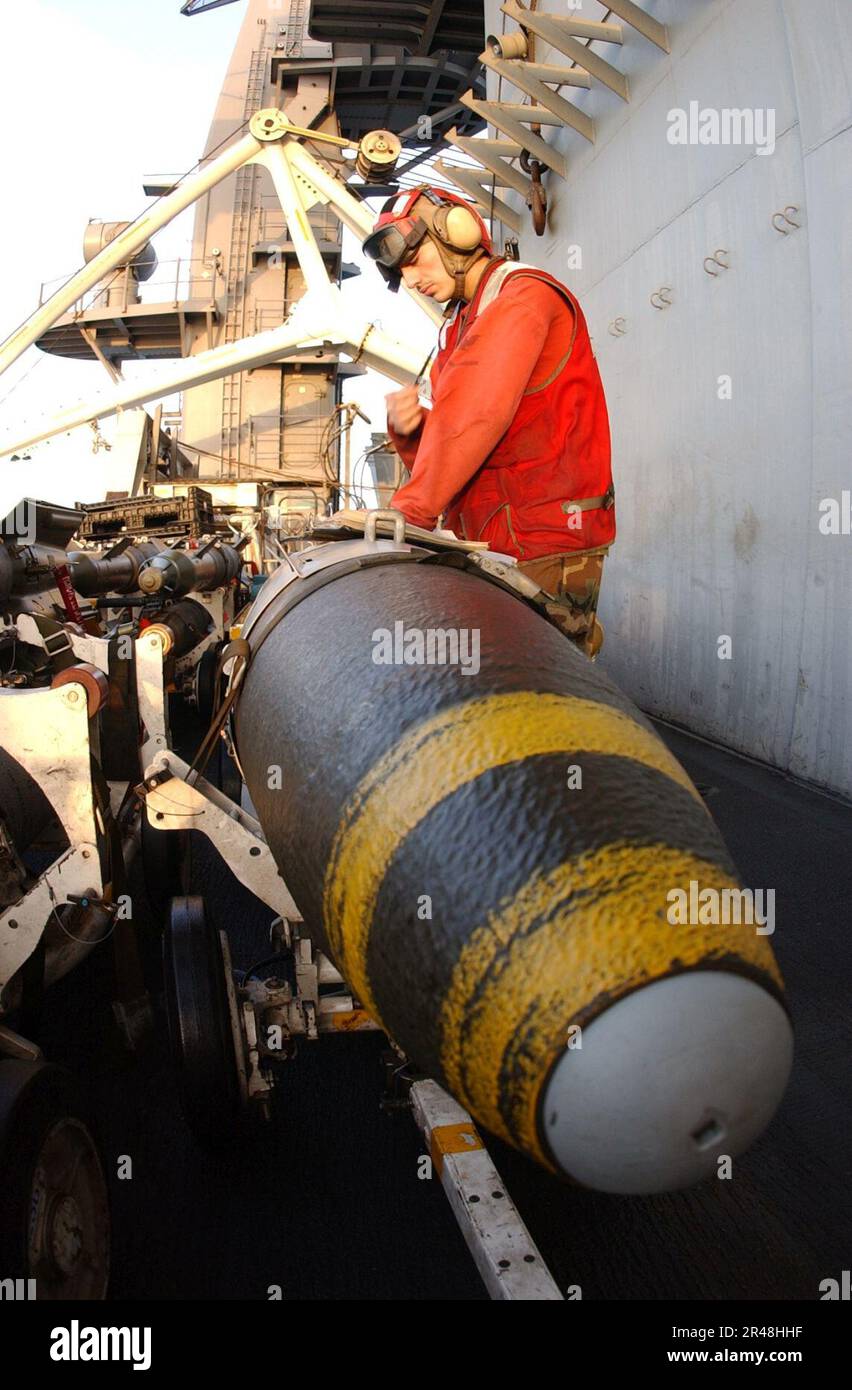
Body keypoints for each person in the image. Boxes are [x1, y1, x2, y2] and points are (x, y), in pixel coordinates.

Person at [361, 183, 615, 657]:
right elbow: (457, 438)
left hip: (543, 543)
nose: (411, 280)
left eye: (415, 260)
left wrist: (405, 514)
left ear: (455, 233)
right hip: (498, 540)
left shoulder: (523, 297)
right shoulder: (460, 322)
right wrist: (413, 431)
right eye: (401, 272)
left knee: (534, 686)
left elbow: (474, 414)